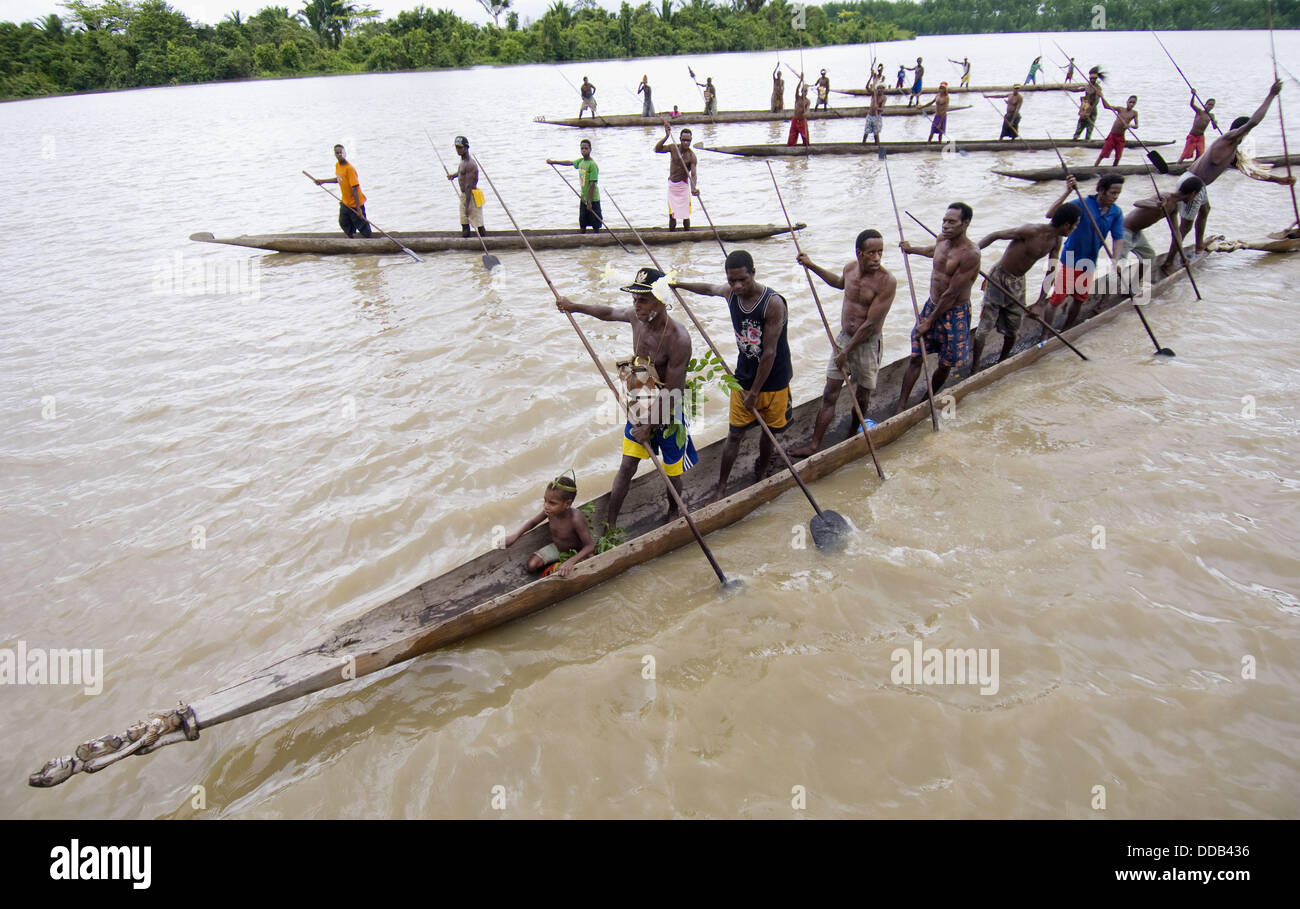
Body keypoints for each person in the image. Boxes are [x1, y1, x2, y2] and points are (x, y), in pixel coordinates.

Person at [556, 268, 695, 531]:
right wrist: (573, 307)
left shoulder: (678, 339)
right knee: (627, 464)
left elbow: (674, 393)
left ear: (661, 301)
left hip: (668, 408)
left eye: (643, 300)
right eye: (634, 299)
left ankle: (675, 509)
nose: (636, 306)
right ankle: (609, 525)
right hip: (642, 401)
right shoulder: (636, 318)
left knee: (672, 469)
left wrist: (650, 427)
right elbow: (608, 313)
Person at [671, 250, 793, 501]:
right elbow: (708, 288)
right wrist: (678, 284)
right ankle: (722, 486)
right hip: (743, 377)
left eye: (742, 280)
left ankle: (761, 472)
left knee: (768, 432)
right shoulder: (730, 294)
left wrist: (755, 393)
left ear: (753, 274)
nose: (736, 286)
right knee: (734, 434)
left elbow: (769, 353)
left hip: (773, 380)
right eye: (731, 280)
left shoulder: (772, 304)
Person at [788, 230, 897, 457]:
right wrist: (811, 265)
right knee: (830, 393)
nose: (877, 258)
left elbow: (870, 324)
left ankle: (852, 435)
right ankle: (814, 445)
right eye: (872, 253)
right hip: (844, 339)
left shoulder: (886, 282)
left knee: (862, 395)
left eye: (880, 252)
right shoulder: (850, 268)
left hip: (866, 344)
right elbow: (839, 283)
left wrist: (846, 352)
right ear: (859, 253)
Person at [1169, 80, 1290, 258]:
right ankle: (1170, 260)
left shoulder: (1233, 153)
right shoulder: (1229, 138)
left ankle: (1198, 246)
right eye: (1246, 132)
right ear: (1242, 131)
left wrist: (1278, 180)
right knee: (1185, 226)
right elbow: (1254, 121)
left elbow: (1252, 172)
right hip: (1191, 182)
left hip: (1199, 185)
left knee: (1205, 210)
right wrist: (1271, 94)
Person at [895, 203, 980, 412]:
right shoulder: (942, 239)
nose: (945, 225)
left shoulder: (971, 254)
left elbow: (951, 294)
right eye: (944, 220)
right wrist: (911, 249)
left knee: (945, 363)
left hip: (954, 311)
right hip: (932, 304)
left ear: (965, 223)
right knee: (916, 356)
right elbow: (933, 252)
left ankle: (926, 401)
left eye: (952, 222)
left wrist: (929, 322)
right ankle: (901, 406)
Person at [973, 204, 1080, 367]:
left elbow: (1051, 270)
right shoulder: (1031, 231)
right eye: (1075, 225)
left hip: (1018, 282)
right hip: (999, 278)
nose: (1075, 229)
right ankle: (974, 368)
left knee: (1014, 328)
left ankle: (1002, 362)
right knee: (984, 328)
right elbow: (995, 235)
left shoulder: (1056, 241)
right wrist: (973, 252)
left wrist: (1040, 303)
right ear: (1067, 225)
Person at [1046, 174, 1125, 330]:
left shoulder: (1116, 212)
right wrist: (1067, 192)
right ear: (1101, 191)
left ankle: (1067, 329)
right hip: (1071, 259)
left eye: (1118, 194)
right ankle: (1045, 334)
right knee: (1057, 299)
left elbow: (1118, 238)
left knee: (1080, 298)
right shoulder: (1082, 204)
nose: (1115, 197)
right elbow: (1051, 214)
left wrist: (1116, 259)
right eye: (1113, 193)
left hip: (1089, 261)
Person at [502, 474, 596, 578]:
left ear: (567, 504)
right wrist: (515, 536)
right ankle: (557, 564)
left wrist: (570, 561)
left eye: (552, 503)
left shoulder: (575, 518)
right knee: (531, 565)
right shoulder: (549, 512)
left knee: (587, 566)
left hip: (577, 551)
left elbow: (590, 546)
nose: (546, 506)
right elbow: (533, 522)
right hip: (559, 548)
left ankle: (565, 564)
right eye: (545, 500)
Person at [1121, 176, 1203, 277]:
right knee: (1120, 263)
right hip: (1124, 230)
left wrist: (1182, 255)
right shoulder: (1165, 197)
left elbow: (1176, 232)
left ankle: (1134, 285)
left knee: (1149, 257)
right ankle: (1110, 287)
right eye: (1196, 195)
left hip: (1137, 233)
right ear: (1193, 194)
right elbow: (1137, 203)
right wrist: (1156, 204)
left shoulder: (1174, 207)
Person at [314, 144, 372, 239]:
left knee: (362, 225)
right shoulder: (337, 166)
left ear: (345, 153)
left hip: (355, 203)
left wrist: (358, 209)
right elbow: (338, 179)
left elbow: (355, 188)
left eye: (341, 152)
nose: (340, 154)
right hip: (346, 202)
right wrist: (322, 181)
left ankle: (369, 240)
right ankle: (352, 239)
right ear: (335, 154)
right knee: (343, 222)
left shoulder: (349, 169)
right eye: (337, 153)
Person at [546, 139, 601, 232]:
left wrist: (590, 202)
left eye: (586, 148)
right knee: (582, 221)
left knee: (595, 223)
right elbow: (569, 162)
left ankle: (597, 238)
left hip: (593, 198)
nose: (584, 150)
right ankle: (582, 237)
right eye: (582, 148)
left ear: (590, 149)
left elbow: (592, 185)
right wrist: (553, 162)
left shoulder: (592, 165)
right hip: (583, 198)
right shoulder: (581, 161)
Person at [654, 119, 698, 230]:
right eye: (684, 140)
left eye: (688, 141)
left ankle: (688, 238)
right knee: (672, 216)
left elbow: (693, 175)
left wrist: (693, 188)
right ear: (680, 139)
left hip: (683, 187)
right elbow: (657, 149)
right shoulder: (673, 148)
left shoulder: (691, 156)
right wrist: (667, 136)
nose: (686, 143)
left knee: (685, 216)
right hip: (672, 186)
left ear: (691, 140)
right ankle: (671, 237)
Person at [448, 135, 485, 238]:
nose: (458, 150)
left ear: (466, 147)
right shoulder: (463, 162)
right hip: (464, 195)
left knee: (477, 222)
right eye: (456, 147)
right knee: (464, 222)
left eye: (460, 147)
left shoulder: (470, 164)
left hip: (471, 196)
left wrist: (467, 205)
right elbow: (462, 173)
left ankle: (484, 242)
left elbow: (468, 185)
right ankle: (467, 242)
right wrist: (454, 175)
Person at [1093, 94, 1139, 166]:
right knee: (1103, 154)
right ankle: (1095, 167)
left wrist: (1130, 125)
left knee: (1118, 156)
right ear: (1127, 102)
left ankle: (1114, 169)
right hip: (1112, 135)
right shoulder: (1120, 109)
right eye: (1130, 102)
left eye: (1134, 103)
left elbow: (1136, 126)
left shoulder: (1134, 113)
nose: (1131, 104)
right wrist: (1101, 97)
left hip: (1120, 137)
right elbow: (1106, 106)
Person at [1179, 95, 1218, 162]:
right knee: (1186, 154)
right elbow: (1191, 104)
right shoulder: (1199, 112)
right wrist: (1193, 95)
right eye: (1209, 104)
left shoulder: (1211, 116)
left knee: (1200, 155)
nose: (1210, 106)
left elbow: (1214, 128)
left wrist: (1215, 123)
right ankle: (1178, 164)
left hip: (1200, 137)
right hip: (1192, 136)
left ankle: (1195, 165)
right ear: (1205, 104)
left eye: (1212, 105)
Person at [1073, 68, 1103, 140]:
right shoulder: (1087, 86)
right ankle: (1075, 138)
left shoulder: (1098, 88)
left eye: (1094, 78)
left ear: (1096, 78)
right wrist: (1069, 89)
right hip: (1085, 108)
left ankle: (1087, 140)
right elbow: (1079, 90)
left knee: (1089, 127)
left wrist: (1090, 111)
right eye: (1091, 78)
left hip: (1092, 109)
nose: (1092, 80)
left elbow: (1096, 101)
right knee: (1080, 124)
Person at [788, 77, 811, 146]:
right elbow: (796, 89)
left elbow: (807, 109)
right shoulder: (798, 98)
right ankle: (791, 146)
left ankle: (806, 145)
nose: (805, 93)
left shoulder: (807, 101)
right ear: (802, 92)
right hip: (795, 119)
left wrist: (806, 113)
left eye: (806, 91)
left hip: (802, 120)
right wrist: (800, 81)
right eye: (804, 91)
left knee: (805, 136)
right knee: (792, 136)